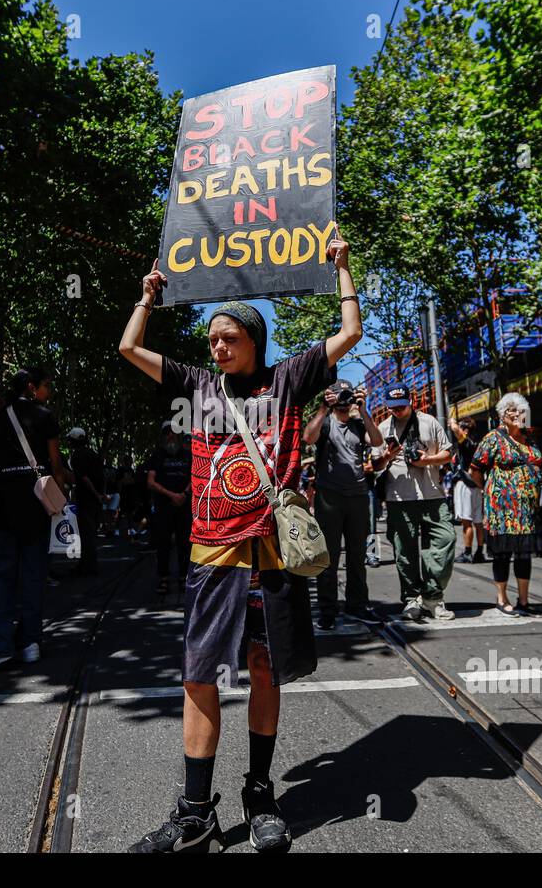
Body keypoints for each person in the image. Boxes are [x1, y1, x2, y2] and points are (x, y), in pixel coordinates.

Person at [118, 226, 362, 853]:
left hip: (272, 556)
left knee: (263, 668)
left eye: (229, 338)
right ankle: (194, 809)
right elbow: (128, 348)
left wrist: (341, 267)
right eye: (213, 339)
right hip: (213, 552)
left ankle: (260, 793)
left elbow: (350, 335)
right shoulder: (197, 385)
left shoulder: (288, 379)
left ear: (254, 341)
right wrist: (148, 296)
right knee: (200, 674)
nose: (218, 346)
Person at [0, 367, 66, 673]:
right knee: (33, 573)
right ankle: (30, 643)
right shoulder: (46, 416)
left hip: (3, 506)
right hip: (37, 504)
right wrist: (59, 499)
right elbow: (56, 465)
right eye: (45, 385)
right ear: (32, 388)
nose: (47, 391)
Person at [371, 382, 457, 621]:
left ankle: (432, 596)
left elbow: (448, 454)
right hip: (399, 497)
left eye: (401, 406)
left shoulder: (429, 422)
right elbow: (374, 465)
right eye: (393, 407)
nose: (397, 411)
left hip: (433, 495)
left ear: (412, 401)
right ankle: (412, 598)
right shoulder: (383, 427)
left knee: (445, 540)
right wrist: (388, 455)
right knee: (404, 552)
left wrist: (425, 461)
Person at [303, 380, 384, 628]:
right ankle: (328, 610)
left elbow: (378, 441)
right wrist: (322, 408)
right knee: (329, 556)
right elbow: (308, 437)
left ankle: (357, 605)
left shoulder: (359, 424)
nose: (344, 400)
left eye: (347, 396)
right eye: (340, 396)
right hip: (330, 497)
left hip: (358, 496)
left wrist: (363, 408)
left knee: (358, 556)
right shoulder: (325, 423)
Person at [470, 393, 542, 616]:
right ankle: (502, 599)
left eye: (521, 410)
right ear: (502, 415)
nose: (517, 414)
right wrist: (488, 491)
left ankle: (524, 600)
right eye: (512, 410)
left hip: (527, 509)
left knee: (524, 554)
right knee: (502, 553)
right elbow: (475, 468)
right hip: (502, 509)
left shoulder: (529, 439)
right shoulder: (493, 438)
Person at [147, 421, 192, 593]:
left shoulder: (188, 455)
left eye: (173, 431)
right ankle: (163, 577)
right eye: (166, 432)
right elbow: (150, 482)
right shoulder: (157, 456)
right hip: (164, 506)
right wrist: (171, 495)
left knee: (184, 543)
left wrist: (184, 494)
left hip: (183, 505)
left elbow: (195, 477)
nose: (170, 435)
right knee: (163, 543)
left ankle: (183, 577)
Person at [66, 427, 105, 575]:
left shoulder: (77, 456)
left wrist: (95, 494)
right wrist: (100, 494)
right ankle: (86, 564)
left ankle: (88, 566)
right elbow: (100, 476)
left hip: (87, 498)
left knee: (86, 533)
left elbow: (84, 477)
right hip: (94, 499)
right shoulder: (93, 454)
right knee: (89, 532)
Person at [450, 417, 487, 564]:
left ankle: (467, 552)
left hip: (465, 484)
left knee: (467, 522)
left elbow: (454, 430)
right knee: (478, 521)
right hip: (477, 485)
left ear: (465, 430)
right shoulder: (479, 444)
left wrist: (452, 422)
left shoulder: (466, 443)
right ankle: (479, 552)